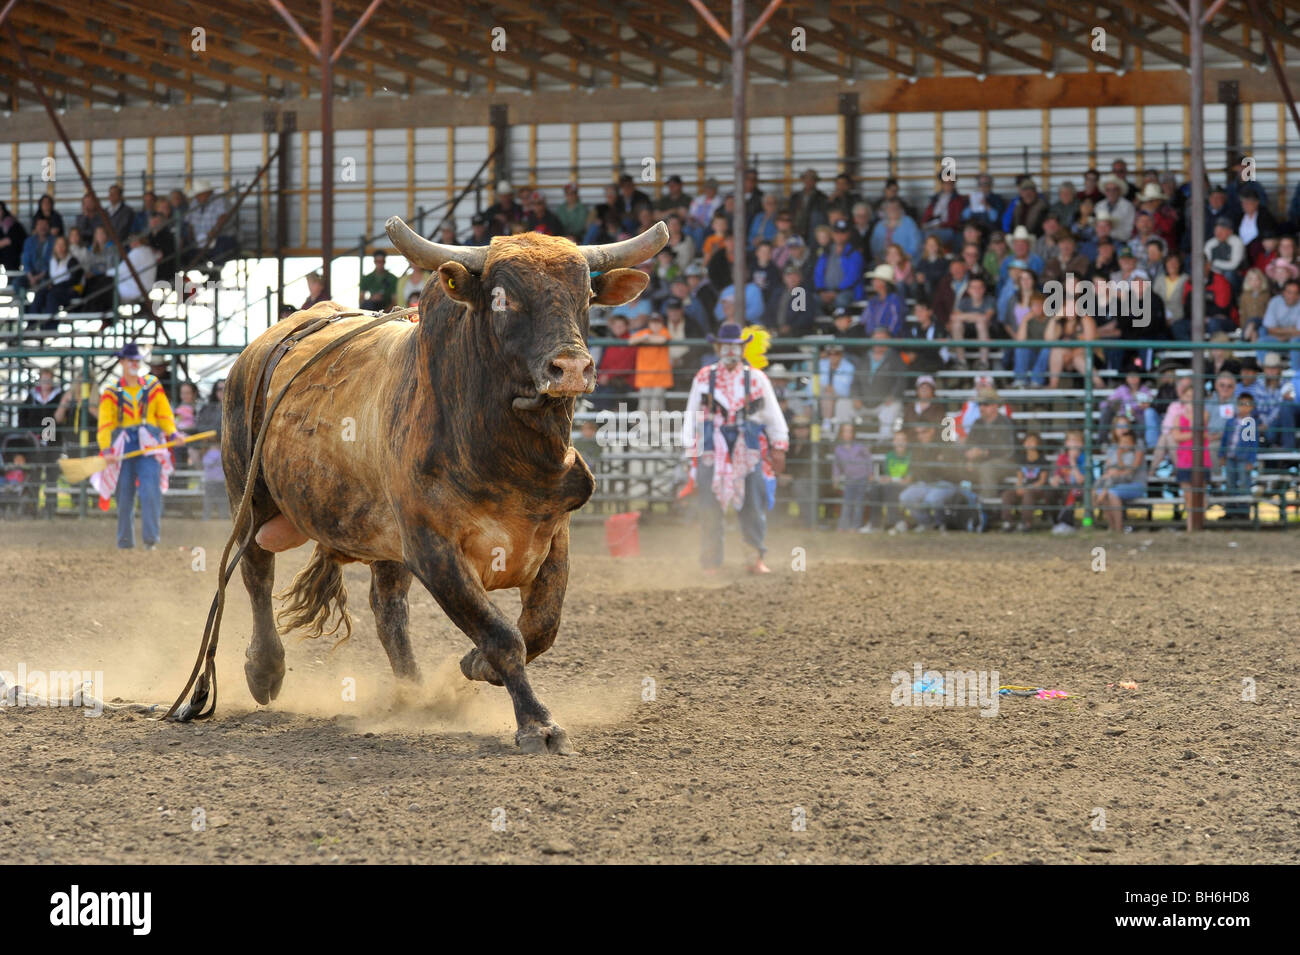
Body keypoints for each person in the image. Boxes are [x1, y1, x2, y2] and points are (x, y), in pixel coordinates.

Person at [683, 323, 789, 574]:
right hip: (712, 442)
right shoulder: (704, 376)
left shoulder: (756, 378)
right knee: (710, 504)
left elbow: (772, 414)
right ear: (719, 348)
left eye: (735, 347)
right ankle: (710, 561)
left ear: (742, 349)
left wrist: (779, 445)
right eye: (726, 346)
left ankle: (754, 557)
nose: (730, 351)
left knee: (752, 501)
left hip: (748, 443)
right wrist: (690, 451)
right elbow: (691, 415)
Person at [96, 343, 181, 550]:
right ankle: (124, 541)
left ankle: (150, 540)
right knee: (124, 494)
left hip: (149, 446)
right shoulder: (111, 391)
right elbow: (105, 424)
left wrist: (173, 433)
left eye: (137, 360)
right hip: (123, 446)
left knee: (150, 491)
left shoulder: (152, 385)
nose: (134, 363)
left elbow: (164, 414)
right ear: (122, 362)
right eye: (131, 360)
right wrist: (106, 450)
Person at [18, 366, 75, 517]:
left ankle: (50, 509)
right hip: (35, 443)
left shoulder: (58, 396)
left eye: (48, 380)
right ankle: (33, 508)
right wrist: (27, 434)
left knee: (52, 475)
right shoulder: (32, 397)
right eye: (43, 380)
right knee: (34, 475)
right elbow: (23, 416)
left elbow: (63, 418)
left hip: (53, 442)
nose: (46, 383)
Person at [962, 386, 1018, 497]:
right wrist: (969, 457)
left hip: (1006, 463)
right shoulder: (977, 423)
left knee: (987, 468)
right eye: (980, 404)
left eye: (986, 404)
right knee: (959, 466)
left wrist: (983, 453)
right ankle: (966, 503)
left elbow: (1008, 452)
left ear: (995, 405)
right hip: (981, 461)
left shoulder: (1006, 423)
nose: (981, 407)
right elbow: (969, 445)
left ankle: (987, 506)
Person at [1095, 429, 1148, 533]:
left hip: (1133, 484)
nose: (1125, 445)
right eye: (1123, 442)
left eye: (1128, 442)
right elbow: (1109, 469)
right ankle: (1112, 526)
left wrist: (1116, 468)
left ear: (1133, 443)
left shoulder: (1134, 453)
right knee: (1102, 492)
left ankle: (1119, 528)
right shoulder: (1114, 452)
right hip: (1116, 483)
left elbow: (1127, 474)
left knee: (1111, 493)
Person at [1218, 392, 1258, 520]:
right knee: (1230, 483)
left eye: (1247, 404)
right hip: (1230, 456)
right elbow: (1224, 439)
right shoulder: (1230, 422)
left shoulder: (1251, 423)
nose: (1244, 407)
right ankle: (1230, 510)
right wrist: (1221, 455)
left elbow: (1253, 443)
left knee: (1243, 483)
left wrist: (1251, 460)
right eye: (1242, 404)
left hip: (1243, 458)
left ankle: (1244, 511)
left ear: (1252, 407)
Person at [863, 428, 911, 533]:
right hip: (891, 484)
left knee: (890, 488)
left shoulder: (910, 456)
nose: (900, 443)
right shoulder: (890, 456)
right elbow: (887, 475)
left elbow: (908, 479)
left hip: (903, 486)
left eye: (902, 439)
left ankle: (896, 523)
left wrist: (892, 480)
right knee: (875, 488)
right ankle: (875, 524)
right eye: (897, 439)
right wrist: (885, 479)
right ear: (893, 442)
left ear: (907, 442)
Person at [1000, 432, 1049, 531]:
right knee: (1007, 494)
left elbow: (1042, 481)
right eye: (1027, 441)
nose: (1029, 443)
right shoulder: (1021, 460)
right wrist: (1019, 486)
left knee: (1028, 494)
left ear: (1038, 444)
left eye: (1032, 441)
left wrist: (1028, 488)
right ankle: (1008, 522)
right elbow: (1019, 479)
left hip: (1037, 489)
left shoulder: (1042, 460)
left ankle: (1026, 522)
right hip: (1025, 487)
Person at [629, 312, 672, 417]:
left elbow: (662, 340)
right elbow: (631, 341)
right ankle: (644, 431)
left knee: (656, 406)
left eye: (658, 323)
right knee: (643, 406)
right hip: (644, 377)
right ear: (649, 324)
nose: (655, 325)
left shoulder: (664, 332)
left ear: (662, 324)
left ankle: (656, 432)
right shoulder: (644, 332)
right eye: (653, 322)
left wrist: (646, 338)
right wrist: (645, 337)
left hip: (659, 377)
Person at [831, 422, 872, 532]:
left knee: (859, 503)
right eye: (845, 431)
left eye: (850, 431)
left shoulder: (860, 446)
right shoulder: (838, 449)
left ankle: (855, 526)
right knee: (847, 503)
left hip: (862, 477)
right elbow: (837, 465)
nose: (848, 434)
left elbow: (868, 459)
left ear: (853, 433)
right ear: (841, 434)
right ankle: (843, 525)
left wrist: (870, 473)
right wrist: (836, 478)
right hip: (849, 479)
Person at [1048, 430, 1087, 534]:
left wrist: (1072, 460)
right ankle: (1056, 523)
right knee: (1051, 492)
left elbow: (1080, 479)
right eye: (1071, 441)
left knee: (1073, 492)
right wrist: (1055, 479)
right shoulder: (1062, 457)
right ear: (1066, 443)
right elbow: (1058, 473)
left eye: (1077, 441)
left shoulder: (1084, 458)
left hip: (1081, 491)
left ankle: (1068, 524)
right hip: (1065, 487)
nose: (1074, 444)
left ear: (1082, 444)